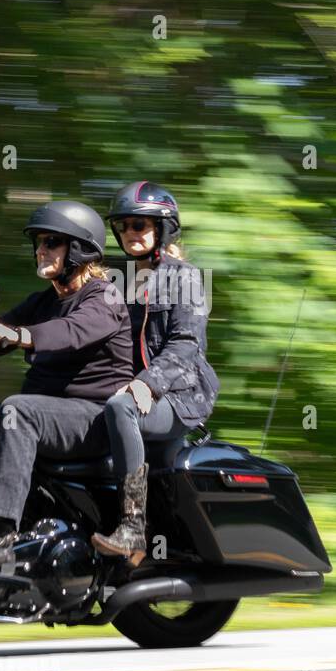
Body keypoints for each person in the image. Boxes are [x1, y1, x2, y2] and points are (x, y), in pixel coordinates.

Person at [0, 201, 133, 570]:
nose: (40, 250)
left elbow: (70, 332)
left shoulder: (105, 295)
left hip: (94, 418)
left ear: (78, 249)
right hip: (53, 416)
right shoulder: (44, 301)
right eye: (39, 243)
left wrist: (16, 334)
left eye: (51, 242)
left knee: (17, 410)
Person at [91, 181, 219, 565]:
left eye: (141, 225)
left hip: (181, 395)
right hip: (134, 392)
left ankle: (132, 527)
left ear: (162, 230)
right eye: (125, 225)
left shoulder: (186, 277)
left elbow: (185, 345)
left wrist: (147, 386)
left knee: (120, 409)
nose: (131, 232)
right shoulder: (118, 282)